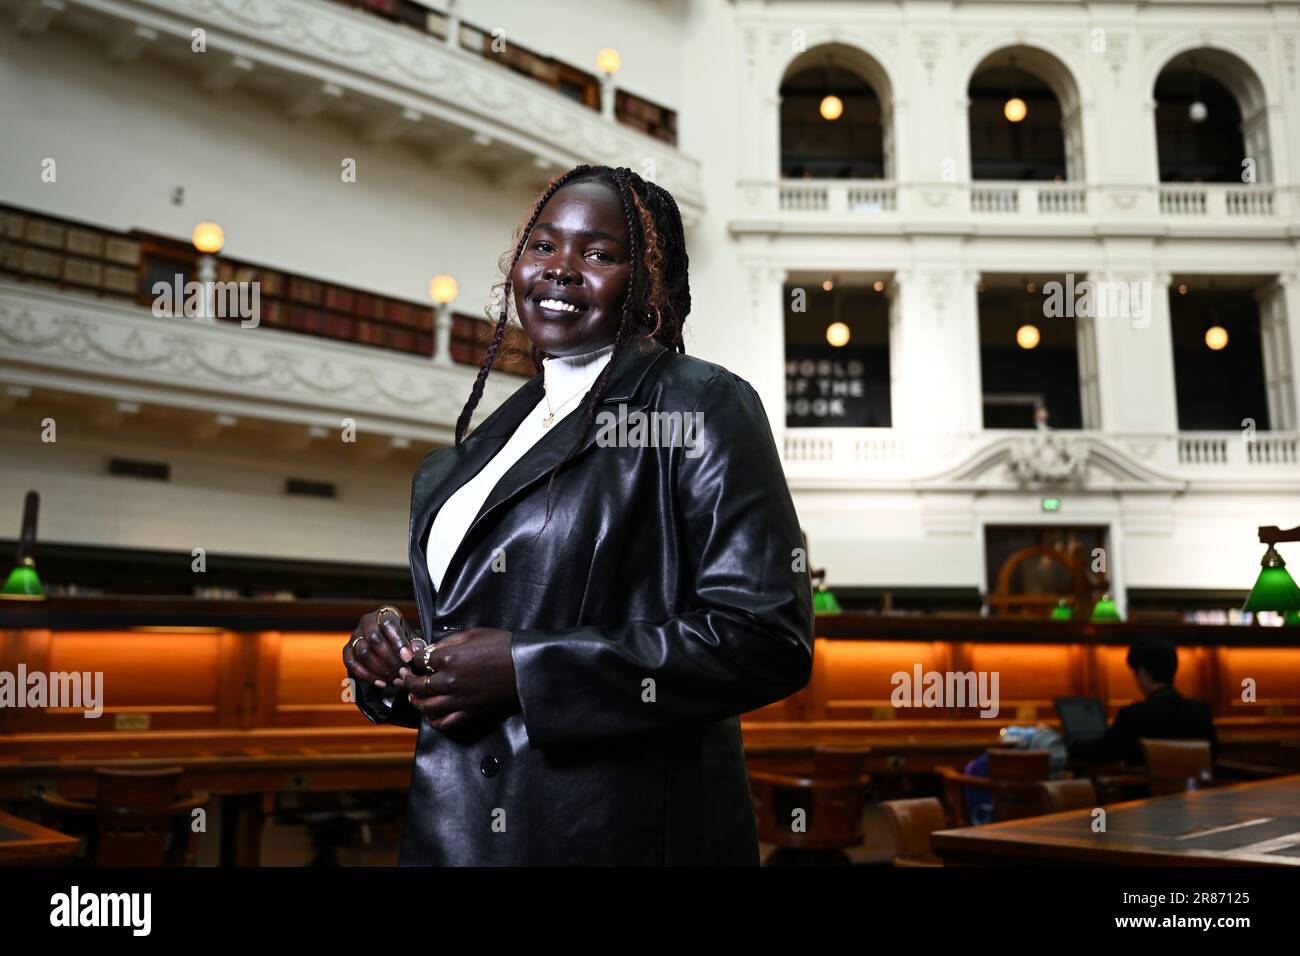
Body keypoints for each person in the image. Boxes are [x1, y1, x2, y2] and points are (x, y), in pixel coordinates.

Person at [342, 164, 814, 865]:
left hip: (614, 838)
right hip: (459, 837)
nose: (561, 269)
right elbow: (474, 642)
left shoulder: (699, 405)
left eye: (598, 254)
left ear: (647, 279)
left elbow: (764, 638)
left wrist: (525, 669)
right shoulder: (472, 452)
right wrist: (395, 656)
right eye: (542, 246)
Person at [1070, 636, 1218, 765]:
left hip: (1145, 796)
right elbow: (1213, 755)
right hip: (1194, 795)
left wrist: (1070, 744)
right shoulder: (1201, 712)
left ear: (1142, 672)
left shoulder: (1134, 715)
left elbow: (1103, 752)